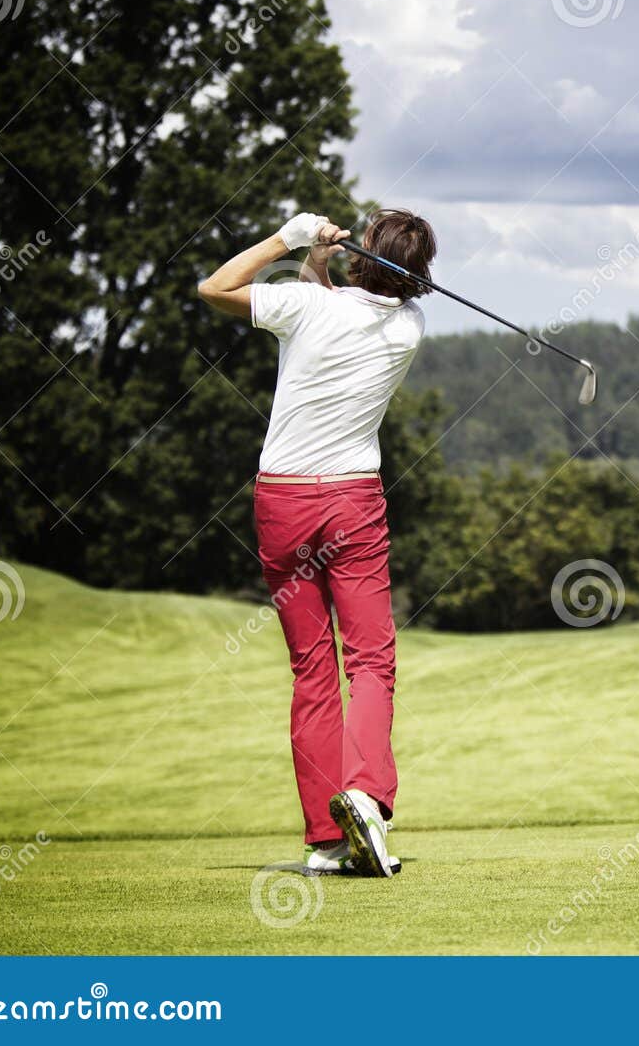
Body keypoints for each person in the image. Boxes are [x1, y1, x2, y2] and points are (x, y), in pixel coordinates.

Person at [198, 209, 436, 877]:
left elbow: (214, 288)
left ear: (361, 255)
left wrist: (291, 240)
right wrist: (322, 263)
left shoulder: (303, 307)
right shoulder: (408, 327)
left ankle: (326, 839)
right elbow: (338, 308)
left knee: (312, 665)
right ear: (417, 276)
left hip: (282, 499)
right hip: (352, 502)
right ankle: (363, 792)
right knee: (371, 659)